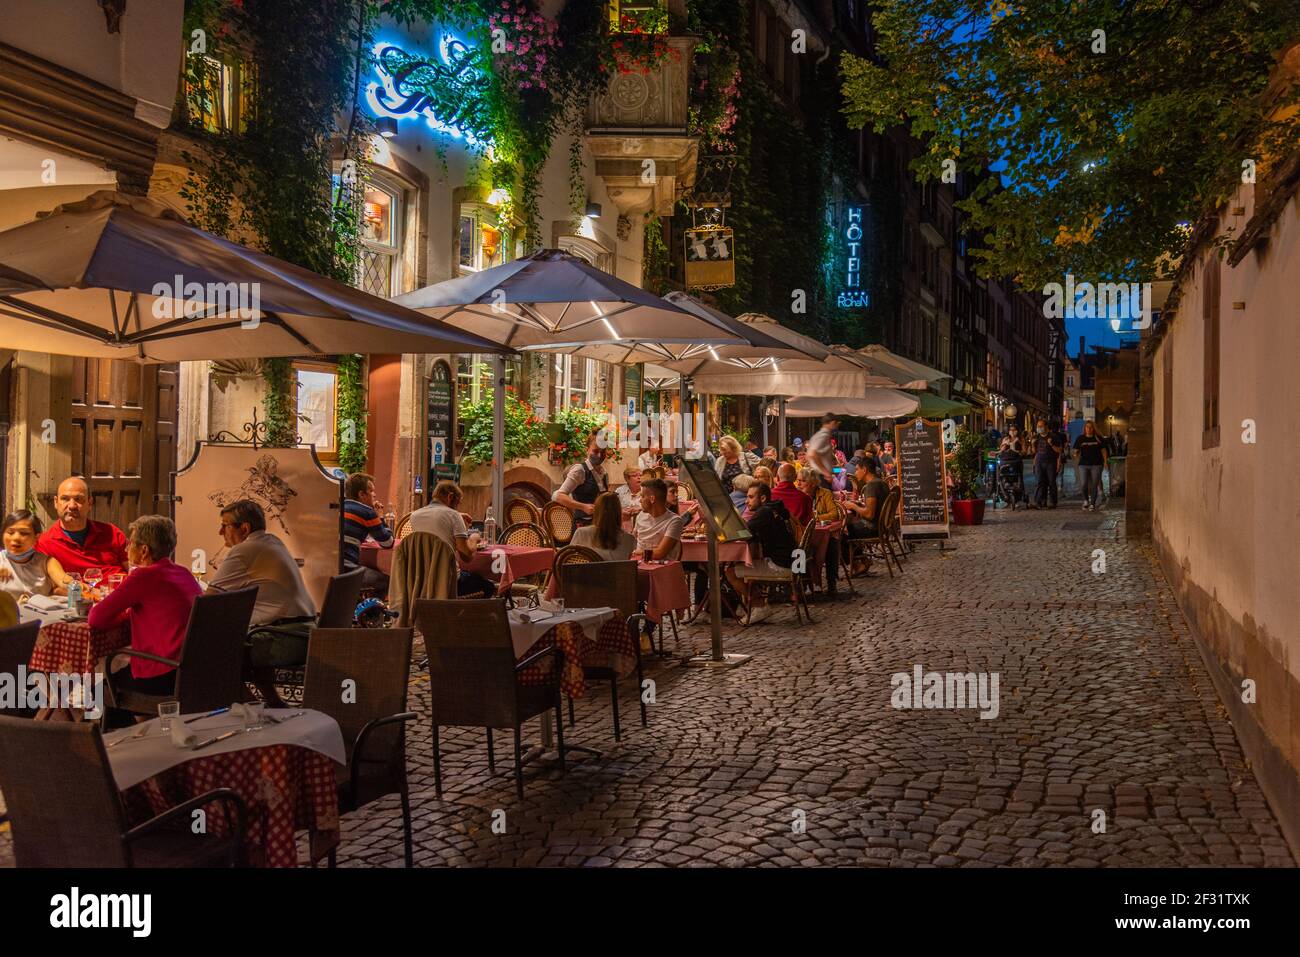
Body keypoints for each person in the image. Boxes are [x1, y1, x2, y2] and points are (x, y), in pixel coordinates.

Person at [206, 499, 316, 705]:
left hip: (283, 639)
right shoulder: (272, 541)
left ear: (245, 528)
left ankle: (253, 711)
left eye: (225, 525)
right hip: (304, 633)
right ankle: (274, 705)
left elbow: (208, 603)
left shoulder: (244, 550)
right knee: (241, 639)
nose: (220, 532)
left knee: (210, 653)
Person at [90, 515, 201, 702]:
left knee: (93, 686)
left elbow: (96, 618)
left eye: (130, 543)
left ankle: (133, 727)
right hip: (191, 668)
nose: (126, 549)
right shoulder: (183, 572)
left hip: (162, 674)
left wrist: (125, 614)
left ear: (143, 550)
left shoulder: (143, 577)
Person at [409, 480, 495, 596]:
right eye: (458, 503)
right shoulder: (453, 515)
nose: (457, 508)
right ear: (450, 496)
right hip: (449, 582)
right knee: (489, 587)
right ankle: (464, 613)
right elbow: (466, 556)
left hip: (421, 581)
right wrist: (474, 538)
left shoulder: (414, 516)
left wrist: (457, 516)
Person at [36, 476, 128, 577]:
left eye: (78, 499)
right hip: (76, 592)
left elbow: (135, 571)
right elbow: (51, 587)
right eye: (65, 499)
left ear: (90, 503)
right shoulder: (44, 544)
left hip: (121, 591)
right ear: (56, 502)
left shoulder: (112, 534)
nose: (72, 506)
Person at [725, 482, 796, 605]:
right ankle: (757, 603)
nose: (747, 501)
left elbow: (744, 533)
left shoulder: (765, 512)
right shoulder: (775, 508)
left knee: (730, 572)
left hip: (781, 564)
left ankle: (759, 606)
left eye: (751, 497)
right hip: (793, 561)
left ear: (763, 498)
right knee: (748, 562)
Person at [0, 510, 67, 600]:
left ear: (37, 537)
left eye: (24, 533)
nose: (16, 538)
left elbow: (65, 581)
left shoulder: (46, 562)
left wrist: (80, 587)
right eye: (10, 532)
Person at [342, 472, 393, 590]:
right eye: (371, 491)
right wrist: (379, 516)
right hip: (348, 569)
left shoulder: (339, 506)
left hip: (332, 567)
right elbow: (387, 543)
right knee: (385, 581)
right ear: (361, 494)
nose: (374, 495)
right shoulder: (366, 512)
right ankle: (369, 608)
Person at [797, 468, 841, 597]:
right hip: (801, 535)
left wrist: (814, 518)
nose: (798, 484)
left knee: (832, 544)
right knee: (797, 549)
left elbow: (834, 514)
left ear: (812, 483)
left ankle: (831, 582)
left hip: (822, 534)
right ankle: (799, 585)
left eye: (802, 481)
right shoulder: (797, 495)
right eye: (798, 480)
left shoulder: (825, 493)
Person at [554, 432, 609, 527]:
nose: (599, 455)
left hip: (600, 525)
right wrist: (583, 507)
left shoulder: (604, 473)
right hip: (583, 525)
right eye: (595, 451)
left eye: (603, 452)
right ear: (587, 450)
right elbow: (559, 496)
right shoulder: (580, 470)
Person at [571, 492, 636, 561]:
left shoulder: (582, 533)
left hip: (588, 571)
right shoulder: (629, 540)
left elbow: (569, 560)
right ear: (618, 512)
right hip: (617, 571)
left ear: (596, 511)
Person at [634, 478, 683, 561]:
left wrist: (638, 553)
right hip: (639, 566)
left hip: (663, 569)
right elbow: (634, 539)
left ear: (652, 499)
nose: (640, 500)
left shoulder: (674, 521)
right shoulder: (640, 516)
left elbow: (660, 553)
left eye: (642, 496)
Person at [843, 457, 890, 539]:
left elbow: (869, 514)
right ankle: (858, 552)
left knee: (843, 531)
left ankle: (855, 551)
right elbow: (878, 506)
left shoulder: (871, 486)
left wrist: (853, 506)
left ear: (864, 470)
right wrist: (860, 504)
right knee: (852, 523)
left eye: (857, 469)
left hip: (872, 529)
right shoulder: (882, 482)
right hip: (882, 527)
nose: (855, 473)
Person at [1074, 421, 1109, 511]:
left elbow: (1104, 451)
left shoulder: (1098, 438)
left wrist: (1105, 462)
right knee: (1083, 484)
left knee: (1094, 484)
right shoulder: (1080, 439)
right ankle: (1085, 500)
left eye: (1091, 427)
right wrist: (1076, 454)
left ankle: (1092, 503)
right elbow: (1076, 451)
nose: (1089, 429)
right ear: (1085, 428)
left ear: (1094, 429)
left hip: (1096, 464)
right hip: (1083, 465)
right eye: (1087, 427)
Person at [1029, 418, 1063, 509]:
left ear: (1046, 427)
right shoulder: (1036, 437)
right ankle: (1039, 501)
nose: (1039, 428)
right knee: (1039, 481)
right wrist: (1032, 444)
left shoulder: (1053, 437)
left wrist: (1051, 445)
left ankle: (1053, 502)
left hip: (1050, 462)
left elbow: (1059, 451)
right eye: (1038, 426)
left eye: (1041, 426)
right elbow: (1034, 452)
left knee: (1051, 482)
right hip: (1039, 462)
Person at [770, 462, 813, 528]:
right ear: (795, 478)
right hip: (798, 537)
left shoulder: (769, 495)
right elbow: (809, 526)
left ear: (778, 478)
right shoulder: (805, 498)